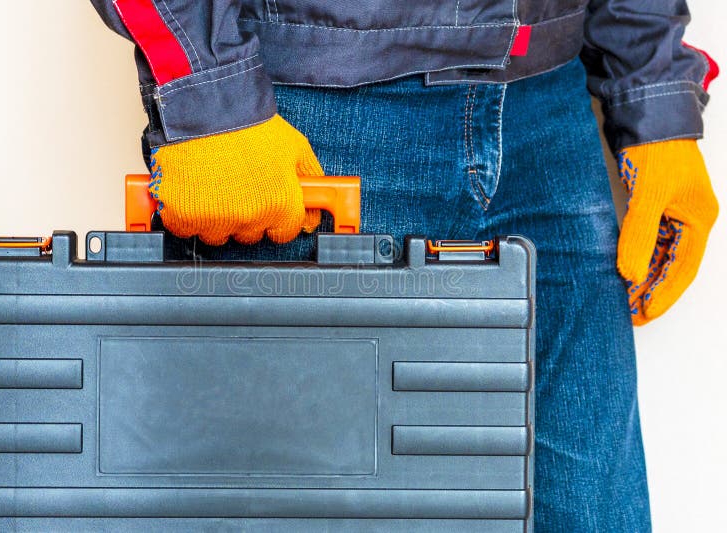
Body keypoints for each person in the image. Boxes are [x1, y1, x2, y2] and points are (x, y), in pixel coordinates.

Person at [91, 1, 719, 530]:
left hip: (548, 112)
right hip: (308, 114)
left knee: (589, 511)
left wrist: (653, 87)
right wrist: (211, 92)